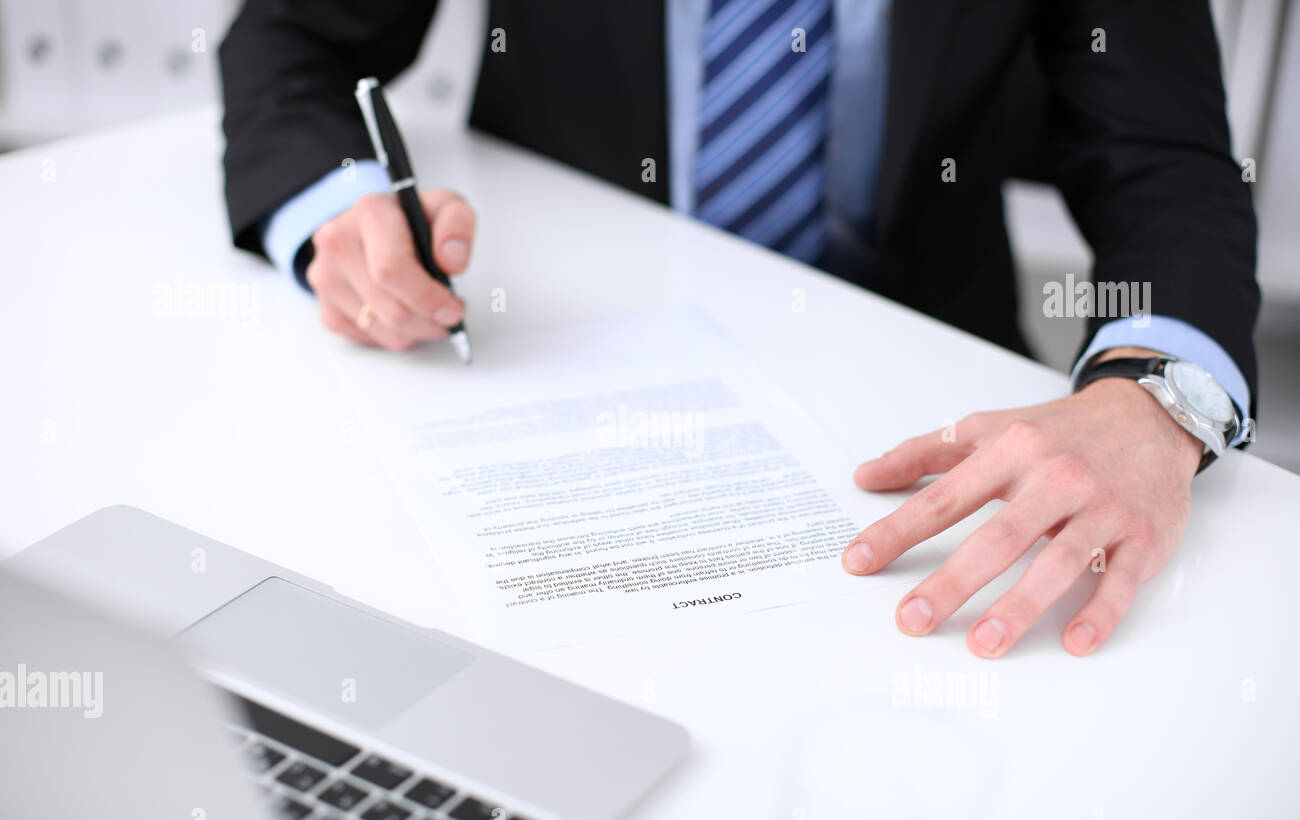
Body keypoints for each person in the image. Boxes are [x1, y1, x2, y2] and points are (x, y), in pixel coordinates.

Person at [219, 0, 1259, 659]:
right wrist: (336, 215)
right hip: (541, 366)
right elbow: (291, 35)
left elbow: (1163, 157)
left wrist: (1154, 394)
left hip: (909, 409)